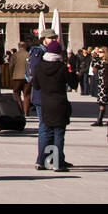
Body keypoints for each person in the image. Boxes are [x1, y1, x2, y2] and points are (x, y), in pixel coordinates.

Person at [33, 38, 71, 170]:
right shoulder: (61, 67)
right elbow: (73, 83)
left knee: (45, 131)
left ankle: (41, 160)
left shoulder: (40, 67)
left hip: (45, 102)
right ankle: (57, 163)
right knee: (58, 133)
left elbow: (36, 85)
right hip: (59, 103)